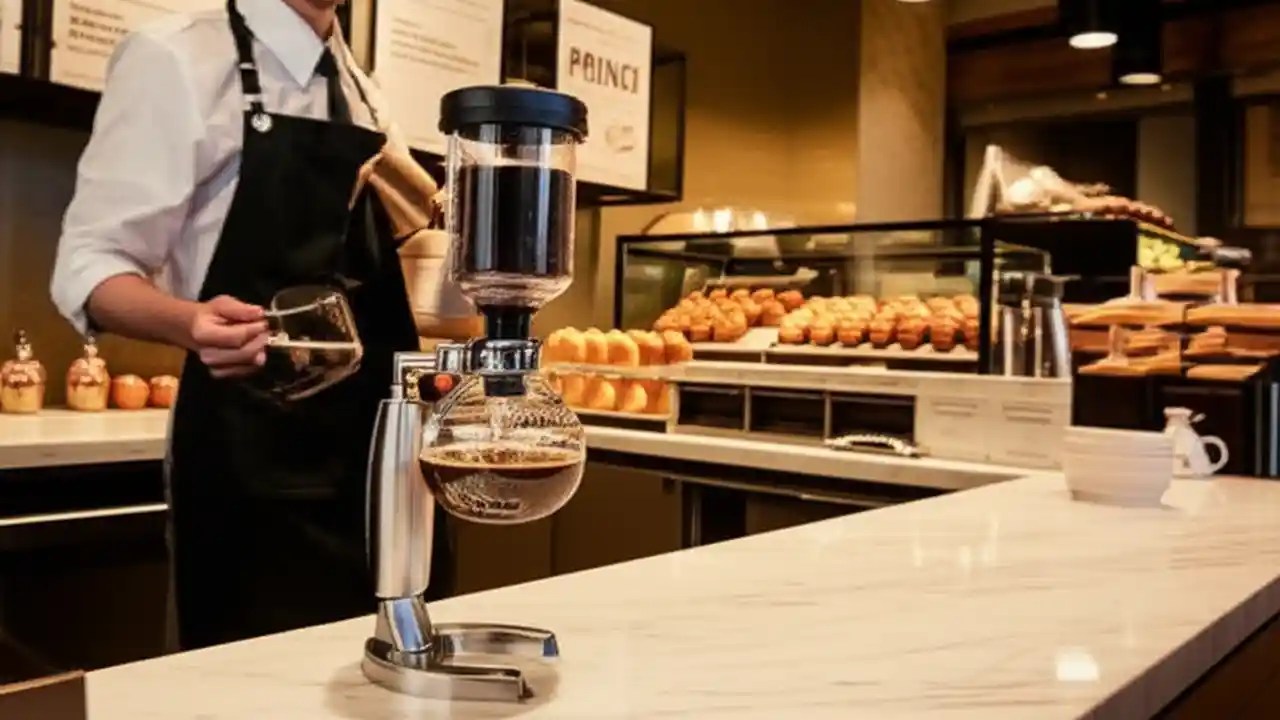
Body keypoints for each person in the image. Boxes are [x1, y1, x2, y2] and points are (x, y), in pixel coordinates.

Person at [51, 0, 453, 650]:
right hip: (254, 464)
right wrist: (190, 323)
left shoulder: (364, 91)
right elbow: (89, 268)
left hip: (380, 462)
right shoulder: (176, 58)